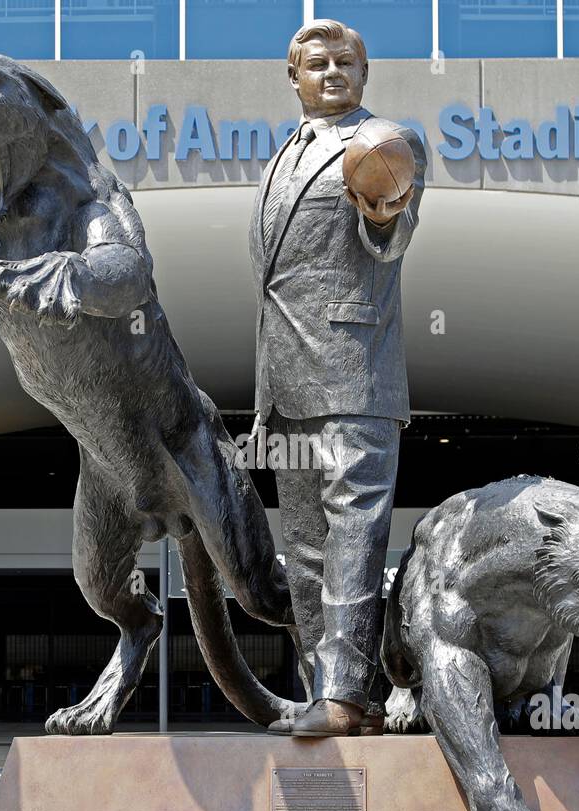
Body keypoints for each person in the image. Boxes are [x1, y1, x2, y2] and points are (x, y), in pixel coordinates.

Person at [249, 19, 425, 737]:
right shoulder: (281, 157)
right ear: (293, 76)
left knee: (355, 534)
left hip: (356, 374)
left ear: (364, 72)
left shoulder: (385, 141)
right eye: (316, 63)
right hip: (286, 383)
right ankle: (332, 693)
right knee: (305, 550)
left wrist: (383, 211)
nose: (331, 72)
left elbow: (390, 236)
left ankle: (345, 693)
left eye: (345, 62)